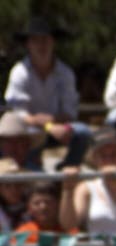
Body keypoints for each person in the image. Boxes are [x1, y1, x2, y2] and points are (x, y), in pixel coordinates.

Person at [3, 17, 92, 168]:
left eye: (45, 40)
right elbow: (18, 114)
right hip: (28, 131)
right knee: (21, 136)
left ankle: (67, 171)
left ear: (53, 42)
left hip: (59, 127)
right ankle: (30, 172)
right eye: (36, 41)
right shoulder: (19, 72)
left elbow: (69, 112)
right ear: (28, 45)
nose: (41, 45)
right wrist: (48, 126)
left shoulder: (65, 73)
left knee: (82, 133)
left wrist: (52, 123)